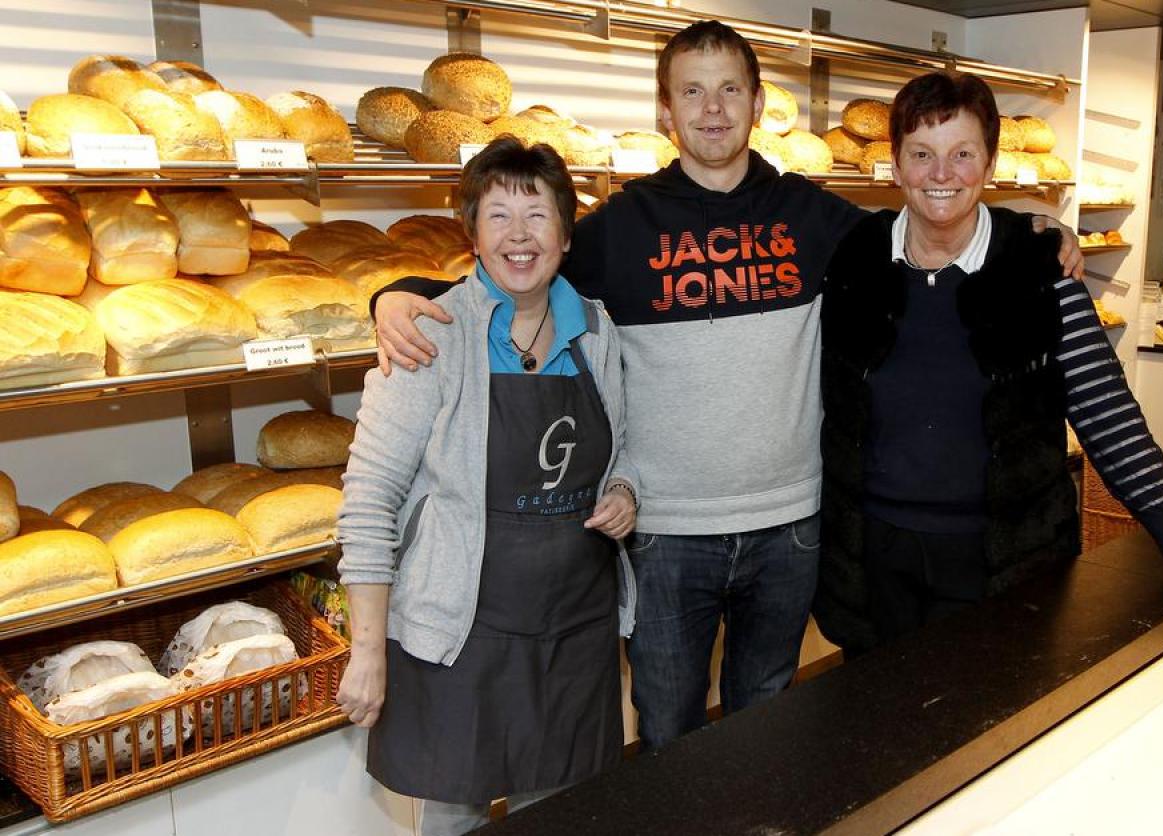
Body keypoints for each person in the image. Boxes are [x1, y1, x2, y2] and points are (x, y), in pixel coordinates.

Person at [370, 21, 1082, 751]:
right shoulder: (622, 228)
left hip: (791, 527)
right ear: (665, 112)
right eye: (692, 91)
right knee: (670, 732)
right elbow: (519, 262)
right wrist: (400, 290)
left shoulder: (813, 217)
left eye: (729, 89)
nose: (712, 108)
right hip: (667, 534)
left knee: (769, 723)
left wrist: (1031, 226)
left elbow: (929, 225)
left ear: (756, 100)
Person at [812, 72, 1163, 655]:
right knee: (880, 727)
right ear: (895, 165)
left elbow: (1108, 414)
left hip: (1004, 562)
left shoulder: (1038, 270)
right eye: (922, 154)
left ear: (990, 165)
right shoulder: (852, 258)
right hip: (873, 563)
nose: (941, 174)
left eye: (962, 154)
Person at [335, 137, 639, 836]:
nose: (519, 236)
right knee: (455, 817)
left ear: (566, 233)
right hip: (461, 633)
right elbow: (371, 498)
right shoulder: (430, 336)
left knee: (561, 814)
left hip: (576, 630)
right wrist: (369, 651)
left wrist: (623, 491)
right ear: (471, 235)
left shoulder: (596, 330)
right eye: (497, 216)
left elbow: (625, 448)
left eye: (537, 215)